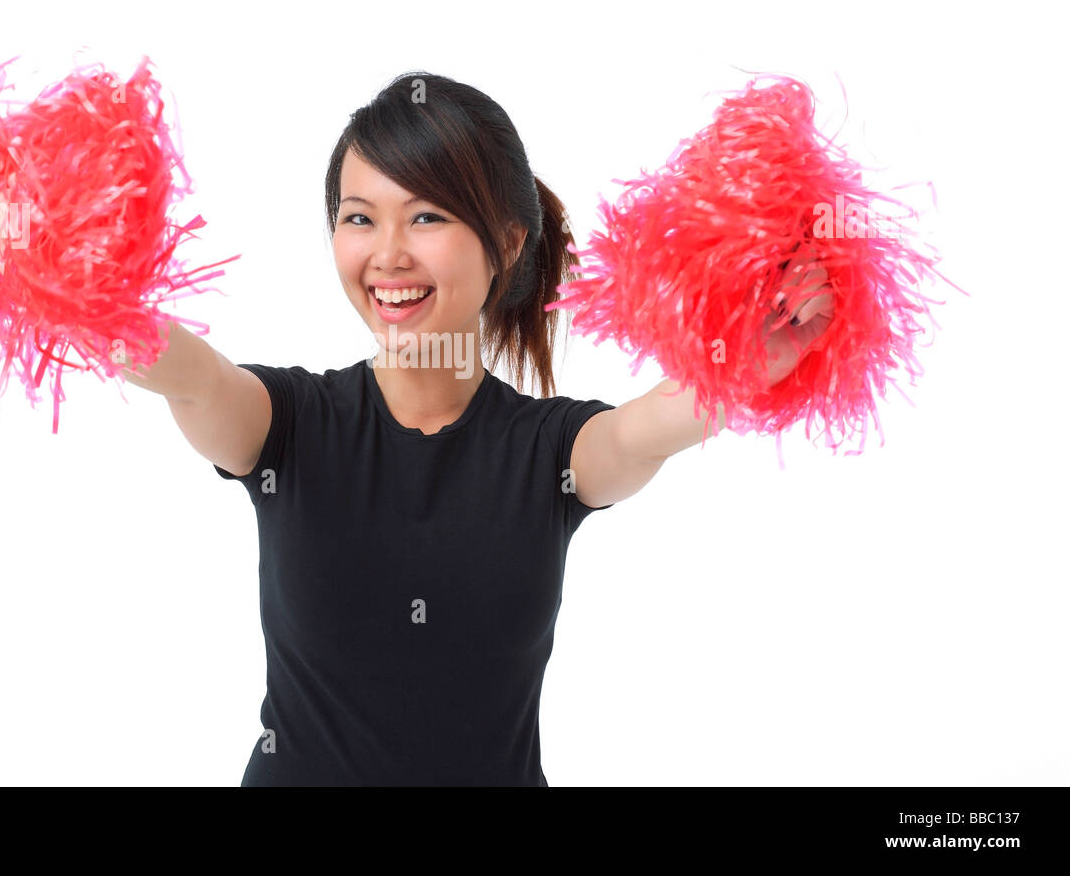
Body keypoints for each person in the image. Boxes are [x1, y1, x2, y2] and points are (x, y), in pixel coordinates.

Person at [120, 72, 831, 786]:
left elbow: (644, 431)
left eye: (427, 217)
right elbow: (194, 376)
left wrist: (760, 350)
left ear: (509, 242)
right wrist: (81, 290)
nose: (388, 254)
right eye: (359, 217)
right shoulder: (287, 426)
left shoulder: (551, 451)